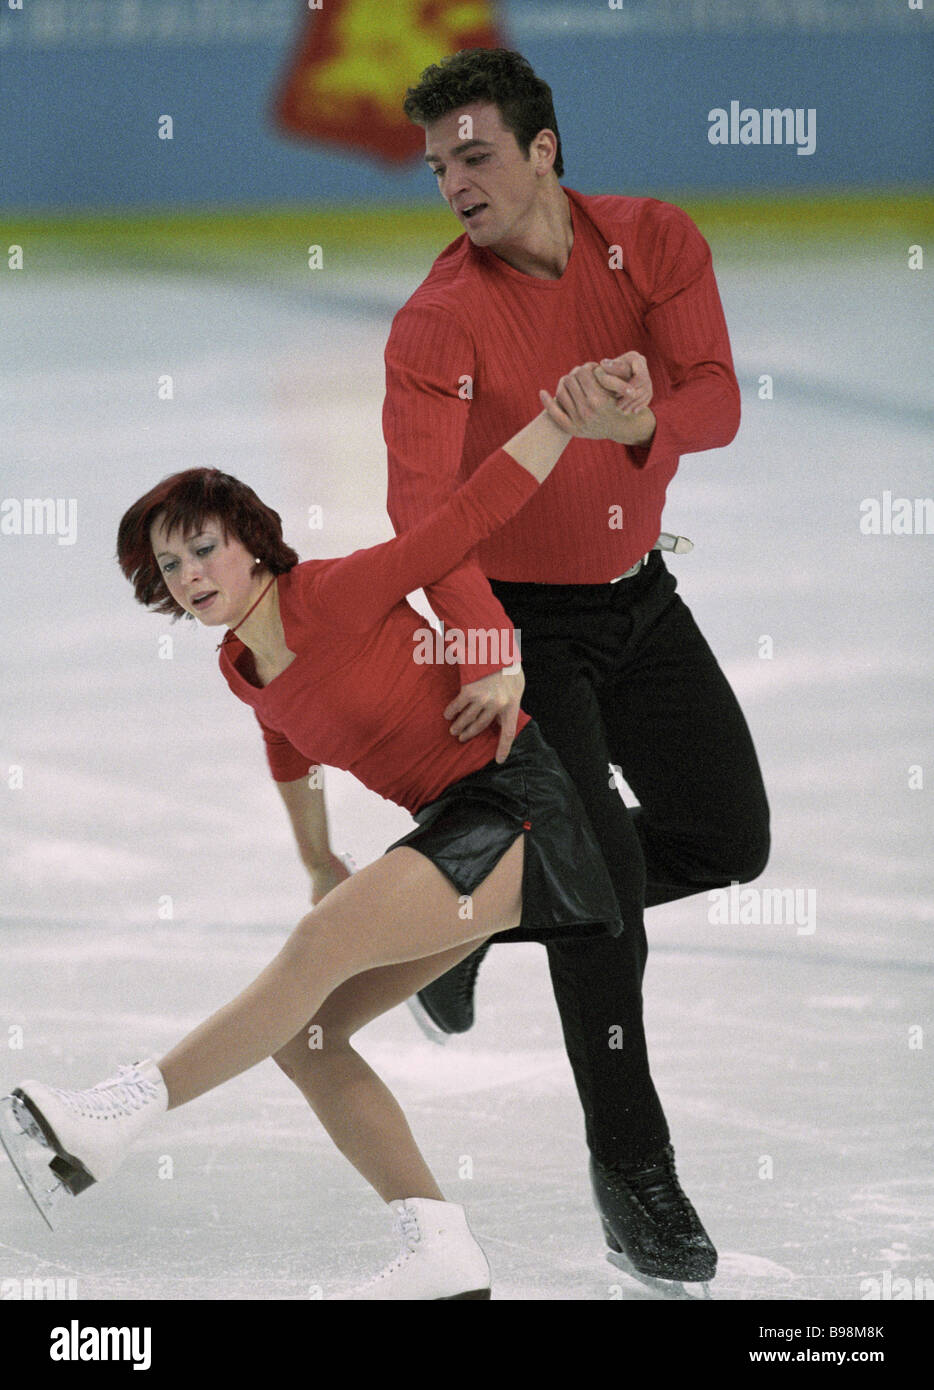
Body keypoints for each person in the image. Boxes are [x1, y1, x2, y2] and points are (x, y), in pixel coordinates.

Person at [0, 374, 648, 1302]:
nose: (189, 576)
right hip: (461, 831)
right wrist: (316, 856)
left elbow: (460, 525)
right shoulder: (240, 662)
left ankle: (118, 1111)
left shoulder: (331, 594)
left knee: (317, 948)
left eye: (204, 549)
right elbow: (285, 749)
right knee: (305, 1037)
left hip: (518, 807)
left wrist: (556, 423)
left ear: (252, 546)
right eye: (170, 566)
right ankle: (439, 1248)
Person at [377, 48, 771, 1293]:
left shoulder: (651, 242)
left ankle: (469, 927)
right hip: (520, 625)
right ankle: (634, 1174)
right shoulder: (439, 318)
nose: (453, 181)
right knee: (596, 885)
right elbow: (419, 516)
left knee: (726, 838)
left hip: (638, 600)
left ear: (544, 148)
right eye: (438, 164)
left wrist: (643, 417)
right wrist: (487, 644)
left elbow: (716, 398)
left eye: (475, 154)